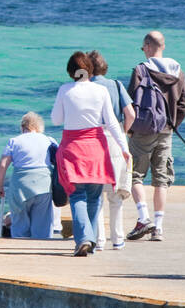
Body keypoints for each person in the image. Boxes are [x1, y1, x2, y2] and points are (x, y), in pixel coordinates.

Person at [51, 52, 131, 257]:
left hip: (72, 149)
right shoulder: (100, 90)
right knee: (94, 198)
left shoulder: (64, 90)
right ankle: (91, 241)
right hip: (96, 148)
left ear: (70, 72)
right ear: (91, 70)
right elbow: (112, 122)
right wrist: (124, 148)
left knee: (77, 195)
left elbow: (56, 120)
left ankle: (84, 239)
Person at [126, 31, 185, 242]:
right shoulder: (178, 71)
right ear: (163, 46)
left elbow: (129, 101)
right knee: (161, 179)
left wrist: (129, 128)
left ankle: (143, 217)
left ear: (147, 46)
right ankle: (159, 227)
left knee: (135, 176)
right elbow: (184, 104)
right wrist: (172, 124)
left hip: (142, 131)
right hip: (166, 131)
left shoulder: (141, 70)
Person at [88, 50, 135, 250]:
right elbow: (130, 114)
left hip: (94, 139)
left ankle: (99, 241)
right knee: (116, 194)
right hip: (115, 139)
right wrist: (123, 132)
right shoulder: (116, 85)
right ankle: (117, 239)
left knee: (95, 193)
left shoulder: (86, 87)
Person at [0, 113, 57, 239]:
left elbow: (2, 166)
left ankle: (20, 251)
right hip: (43, 186)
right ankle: (41, 251)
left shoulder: (15, 141)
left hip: (20, 188)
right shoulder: (49, 140)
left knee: (19, 226)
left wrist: (0, 187)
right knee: (42, 226)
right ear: (39, 127)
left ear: (23, 127)